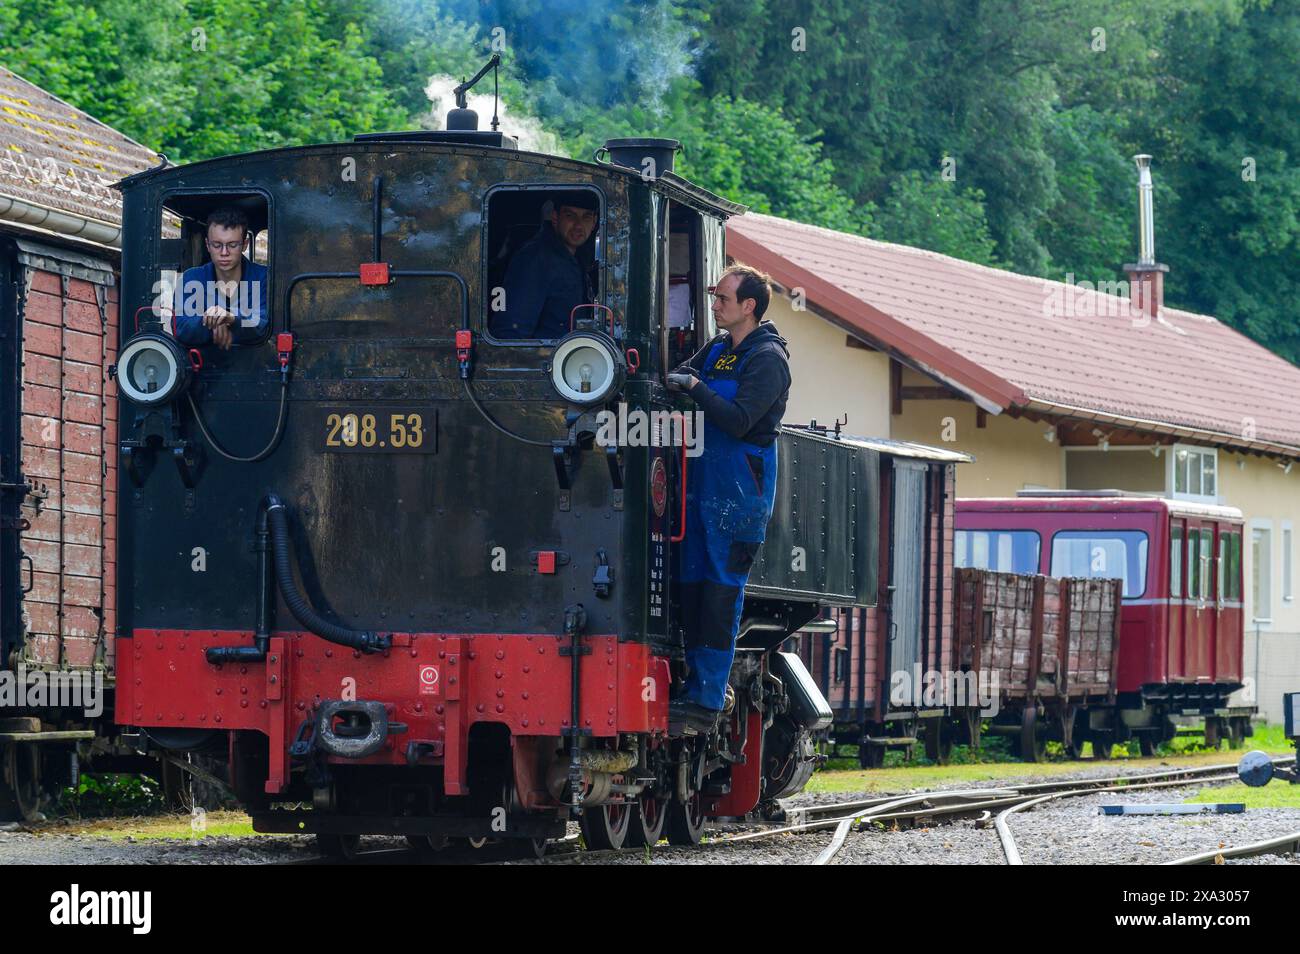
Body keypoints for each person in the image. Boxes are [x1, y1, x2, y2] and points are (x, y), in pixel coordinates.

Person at [667, 265, 791, 733]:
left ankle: (708, 695)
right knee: (692, 583)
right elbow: (679, 373)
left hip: (741, 487)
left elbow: (739, 420)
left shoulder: (769, 359)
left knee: (721, 591)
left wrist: (696, 389)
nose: (714, 304)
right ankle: (688, 683)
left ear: (748, 307)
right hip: (704, 482)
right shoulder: (719, 347)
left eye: (722, 298)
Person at [493, 192, 598, 340]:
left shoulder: (578, 260)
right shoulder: (535, 258)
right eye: (570, 215)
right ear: (555, 218)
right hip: (545, 359)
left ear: (594, 222)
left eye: (586, 217)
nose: (579, 225)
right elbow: (512, 330)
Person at [172, 207, 268, 349]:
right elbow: (180, 328)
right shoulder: (191, 278)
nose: (224, 252)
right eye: (217, 245)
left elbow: (264, 324)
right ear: (207, 245)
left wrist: (231, 318)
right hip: (202, 365)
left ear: (245, 245)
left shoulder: (264, 277)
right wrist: (210, 322)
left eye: (232, 245)